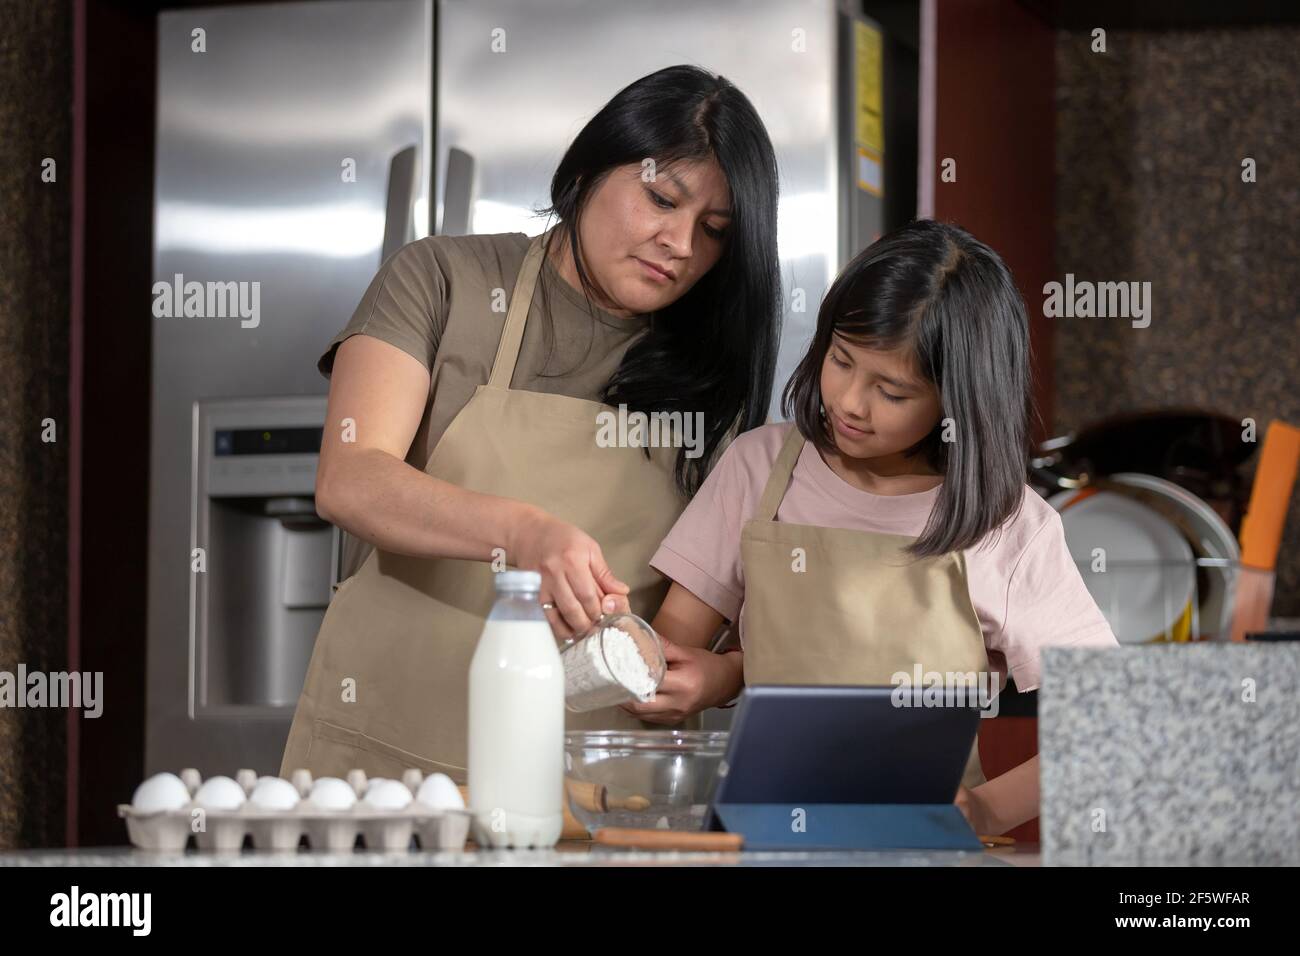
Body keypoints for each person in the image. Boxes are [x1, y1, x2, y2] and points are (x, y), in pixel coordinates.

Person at [280, 65, 782, 782]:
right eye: (660, 199)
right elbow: (350, 479)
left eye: (713, 231)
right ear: (589, 167)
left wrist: (720, 677)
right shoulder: (441, 280)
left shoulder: (714, 378)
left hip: (590, 789)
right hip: (387, 771)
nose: (680, 243)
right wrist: (521, 532)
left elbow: (721, 619)